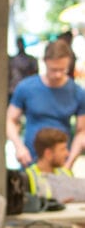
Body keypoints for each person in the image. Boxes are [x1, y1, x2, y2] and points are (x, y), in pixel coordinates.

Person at [7, 38, 85, 170]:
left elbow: (81, 131)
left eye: (62, 70)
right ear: (45, 62)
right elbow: (10, 119)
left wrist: (70, 161)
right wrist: (18, 147)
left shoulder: (78, 92)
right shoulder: (26, 87)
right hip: (30, 160)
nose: (58, 75)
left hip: (61, 162)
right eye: (53, 69)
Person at [24, 127, 84, 207]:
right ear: (48, 153)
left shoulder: (66, 173)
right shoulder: (28, 177)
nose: (67, 153)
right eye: (62, 149)